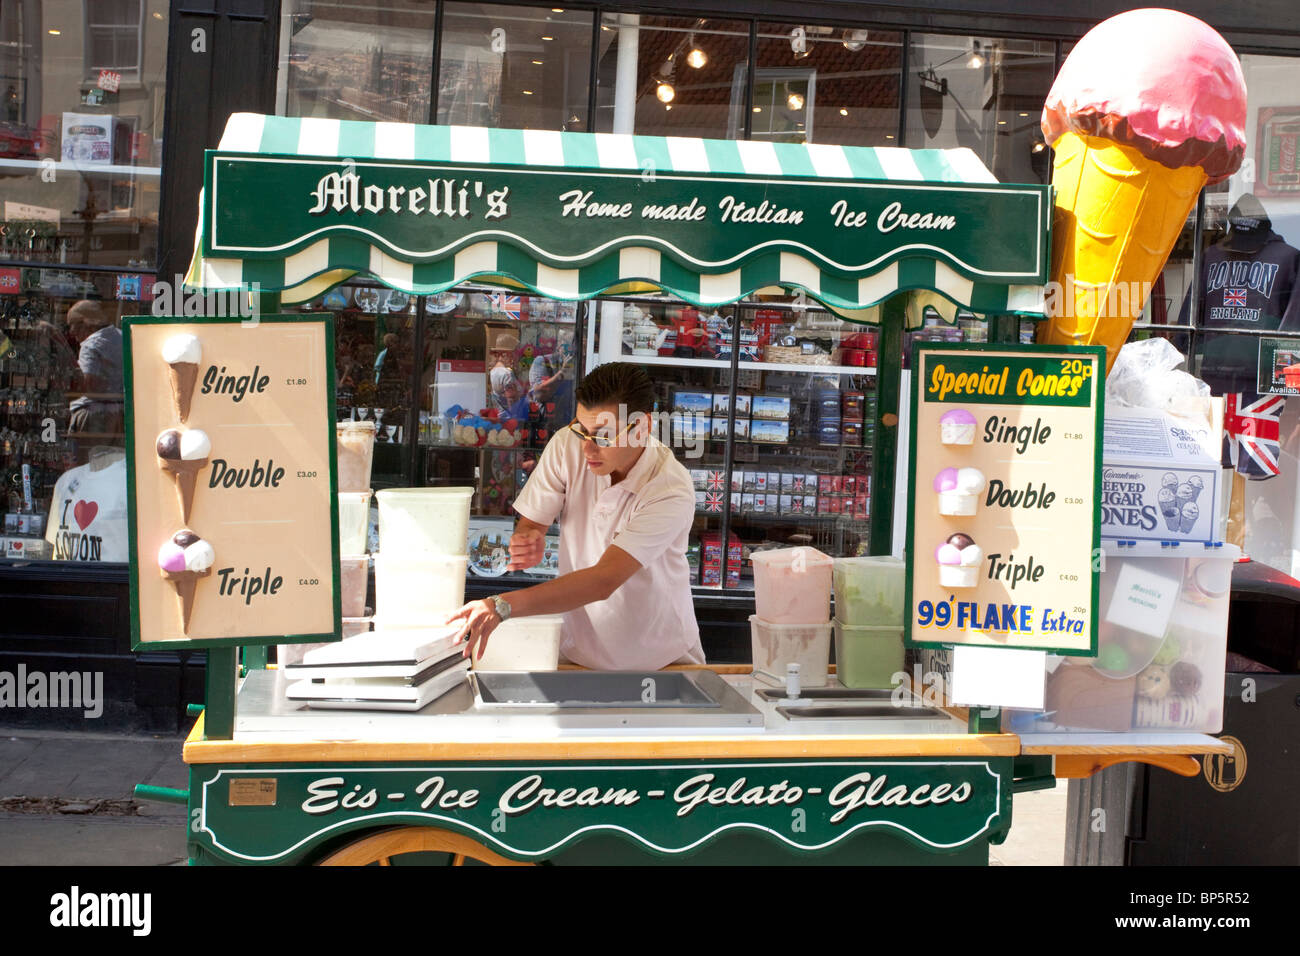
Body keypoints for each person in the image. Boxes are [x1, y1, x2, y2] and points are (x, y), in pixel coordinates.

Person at [442, 362, 703, 670]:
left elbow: (604, 579)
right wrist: (529, 536)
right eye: (581, 429)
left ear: (643, 426)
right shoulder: (568, 443)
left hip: (662, 660)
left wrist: (502, 605)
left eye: (604, 436)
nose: (588, 449)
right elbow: (533, 522)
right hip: (576, 651)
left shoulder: (669, 488)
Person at [66, 299, 124, 445]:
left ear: (86, 323)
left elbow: (88, 386)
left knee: (87, 458)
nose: (71, 332)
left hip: (94, 417)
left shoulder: (90, 345)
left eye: (72, 325)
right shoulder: (122, 337)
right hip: (120, 414)